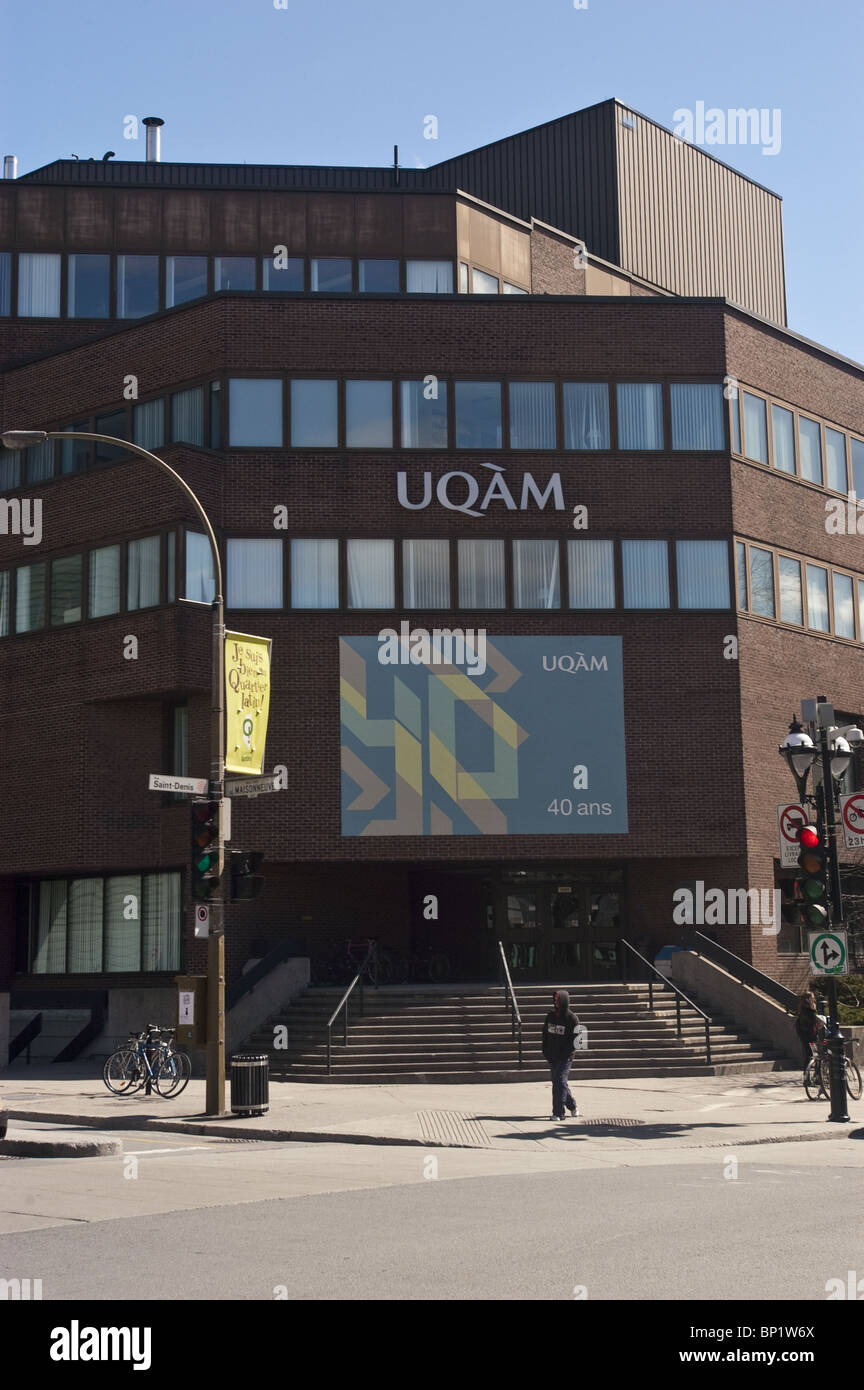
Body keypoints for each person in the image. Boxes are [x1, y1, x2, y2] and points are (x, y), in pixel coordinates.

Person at [542, 989, 580, 1121]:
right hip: (552, 1056)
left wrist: (566, 1053)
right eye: (554, 1000)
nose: (555, 1002)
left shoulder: (572, 1019)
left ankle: (558, 1112)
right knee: (558, 1082)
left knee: (559, 1081)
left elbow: (577, 1040)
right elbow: (545, 1036)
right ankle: (573, 1105)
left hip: (565, 1057)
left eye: (558, 1000)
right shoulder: (550, 1017)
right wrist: (545, 1051)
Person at [794, 990, 823, 1072]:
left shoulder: (810, 1009)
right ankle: (808, 1077)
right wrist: (817, 1022)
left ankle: (815, 1076)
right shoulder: (805, 1010)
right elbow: (809, 1023)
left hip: (811, 1036)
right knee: (810, 1056)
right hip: (807, 1037)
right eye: (812, 998)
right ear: (807, 999)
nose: (814, 999)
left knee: (814, 1055)